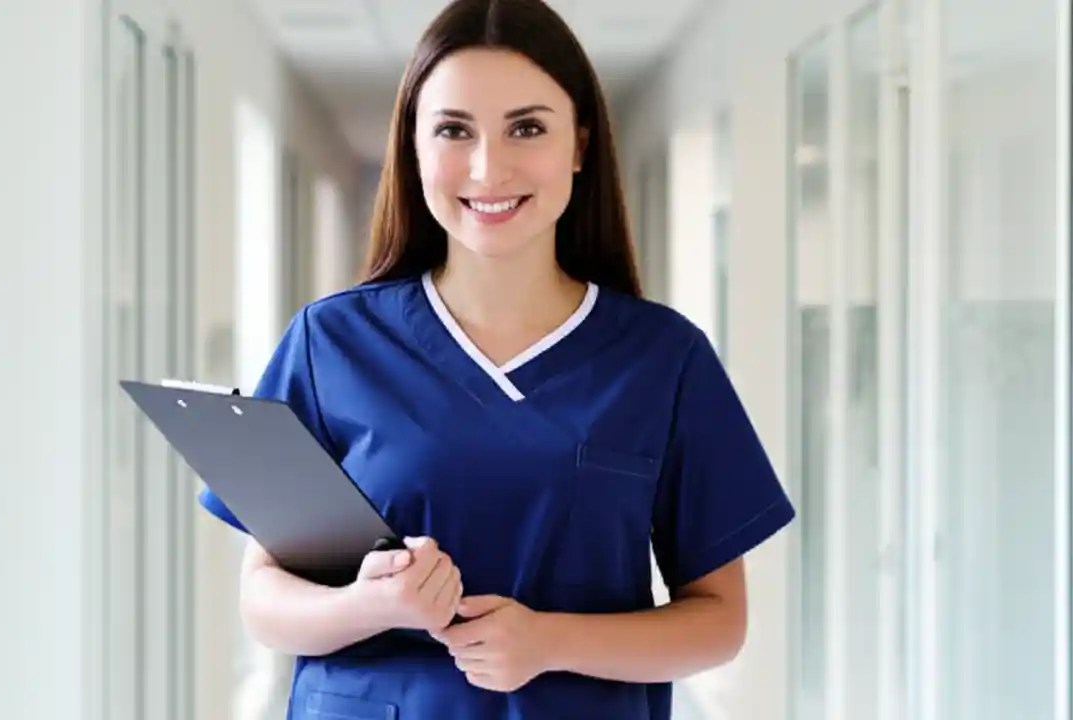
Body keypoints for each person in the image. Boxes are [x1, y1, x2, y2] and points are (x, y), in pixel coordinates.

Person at [198, 0, 795, 716]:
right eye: (454, 130)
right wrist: (372, 604)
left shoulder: (664, 360)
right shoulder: (330, 345)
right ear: (413, 147)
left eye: (527, 127)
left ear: (578, 144)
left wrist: (548, 643)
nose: (488, 167)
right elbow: (264, 600)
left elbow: (718, 621)